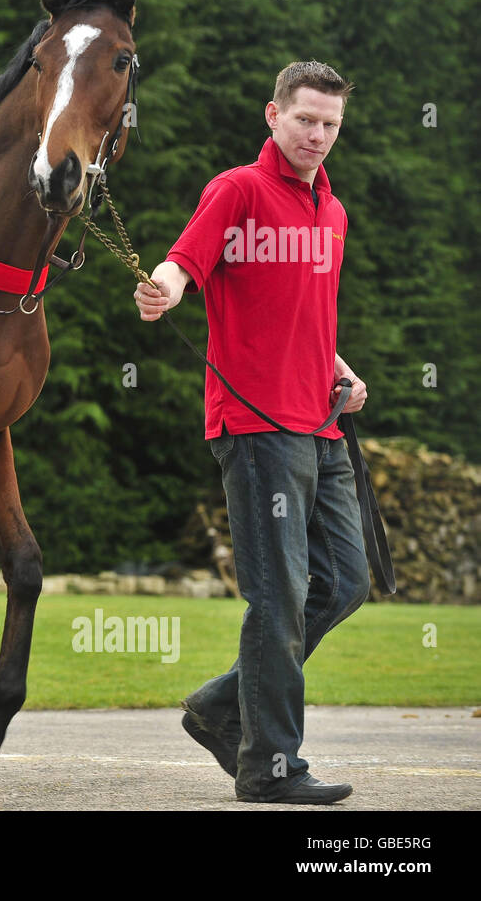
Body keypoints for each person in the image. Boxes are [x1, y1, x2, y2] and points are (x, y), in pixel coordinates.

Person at [134, 61, 372, 804]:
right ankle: (271, 765)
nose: (319, 135)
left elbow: (307, 315)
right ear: (273, 116)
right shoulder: (237, 189)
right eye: (306, 119)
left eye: (330, 123)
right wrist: (164, 289)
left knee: (344, 582)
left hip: (322, 423)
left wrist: (340, 369)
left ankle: (219, 707)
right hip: (257, 424)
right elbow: (185, 261)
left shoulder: (331, 212)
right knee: (278, 596)